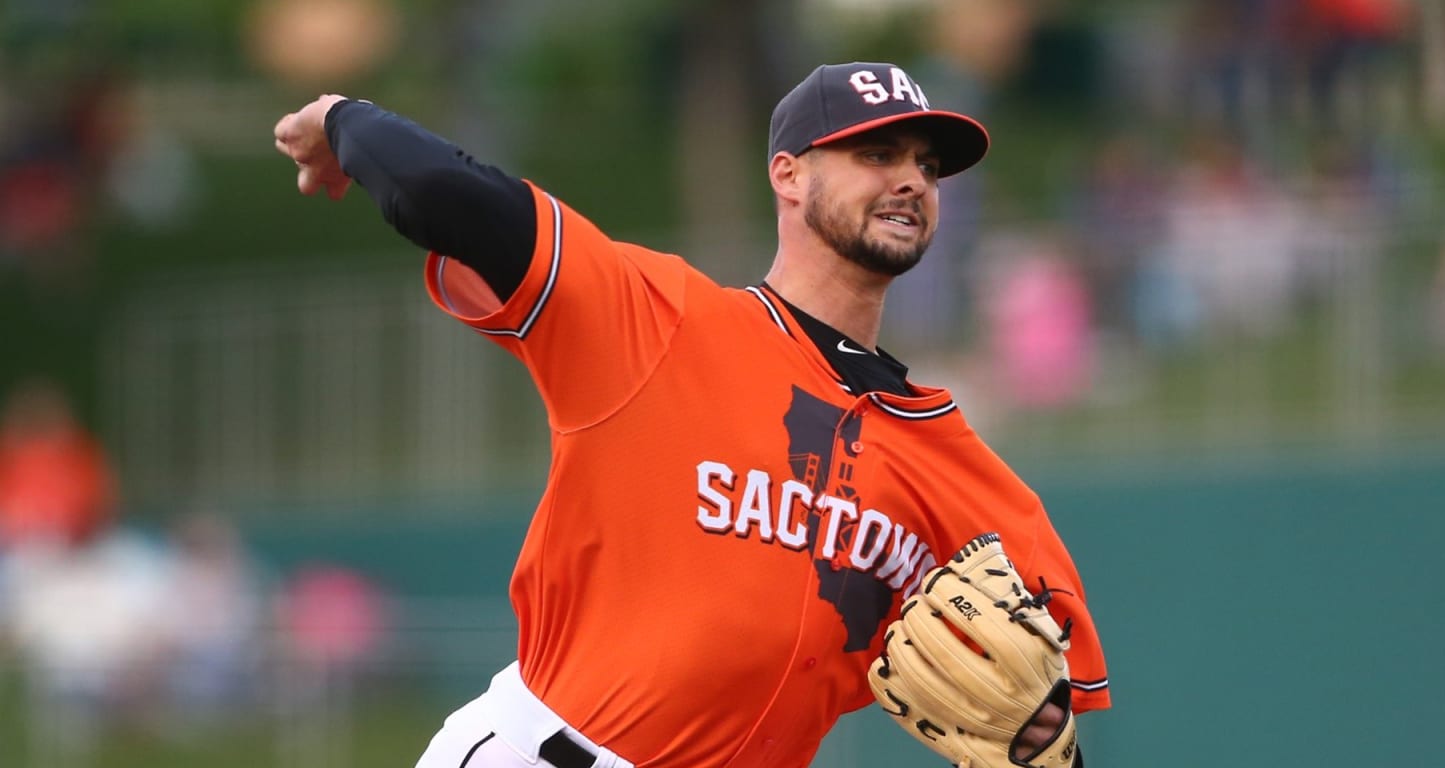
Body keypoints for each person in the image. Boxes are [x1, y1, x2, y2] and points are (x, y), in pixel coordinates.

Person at [273, 61, 1111, 768]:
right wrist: (341, 116)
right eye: (876, 151)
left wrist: (1044, 732)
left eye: (927, 165)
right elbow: (436, 188)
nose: (910, 180)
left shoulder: (949, 460)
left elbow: (1055, 685)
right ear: (788, 172)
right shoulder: (659, 319)